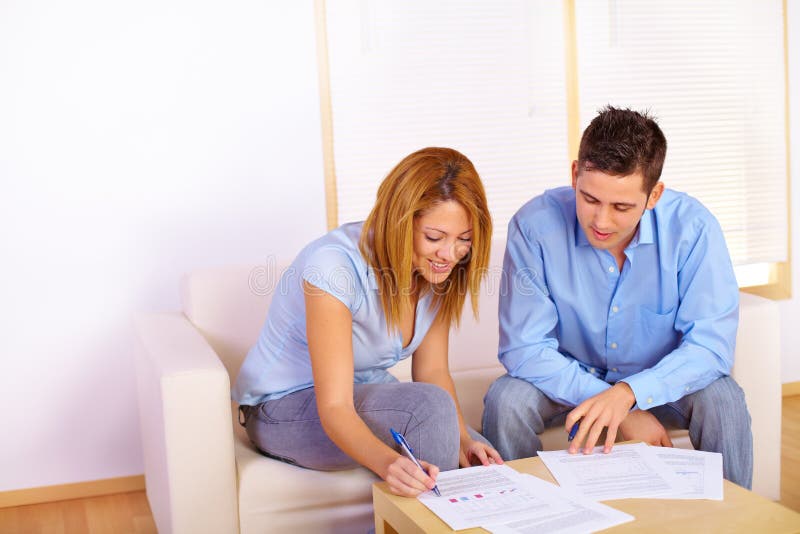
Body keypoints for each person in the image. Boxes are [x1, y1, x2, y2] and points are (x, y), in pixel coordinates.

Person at [482, 106, 753, 488]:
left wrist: (631, 394)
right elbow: (523, 347)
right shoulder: (534, 227)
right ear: (575, 175)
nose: (601, 221)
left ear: (654, 194)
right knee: (507, 399)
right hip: (571, 377)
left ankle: (737, 515)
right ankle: (523, 509)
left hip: (661, 379)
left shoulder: (693, 229)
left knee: (723, 398)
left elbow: (710, 347)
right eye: (590, 199)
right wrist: (620, 408)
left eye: (621, 207)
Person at [233, 147, 503, 497]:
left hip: (359, 392)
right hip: (282, 410)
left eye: (463, 240)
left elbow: (433, 371)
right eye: (434, 238)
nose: (449, 254)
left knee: (485, 460)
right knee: (431, 410)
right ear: (400, 223)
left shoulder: (433, 271)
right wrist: (389, 464)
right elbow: (335, 407)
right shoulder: (333, 266)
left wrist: (464, 438)